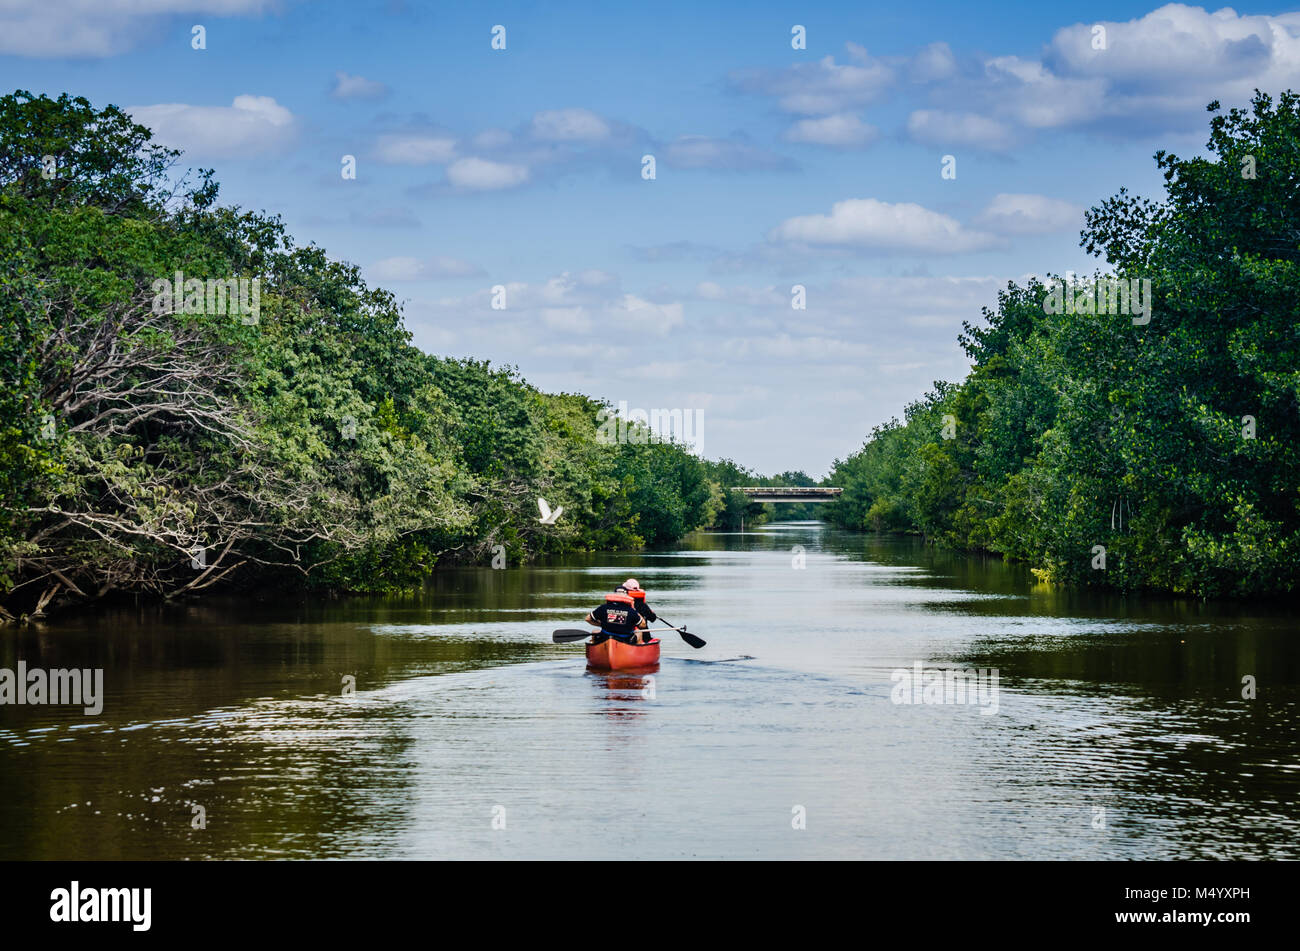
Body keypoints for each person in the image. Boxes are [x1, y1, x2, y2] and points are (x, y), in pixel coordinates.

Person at [585, 583, 652, 645]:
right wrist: (634, 608)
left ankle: (594, 649)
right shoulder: (631, 611)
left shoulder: (603, 608)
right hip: (625, 640)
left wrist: (602, 624)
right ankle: (638, 653)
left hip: (605, 637)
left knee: (595, 631)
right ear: (627, 596)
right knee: (639, 632)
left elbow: (588, 619)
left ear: (614, 594)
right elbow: (643, 625)